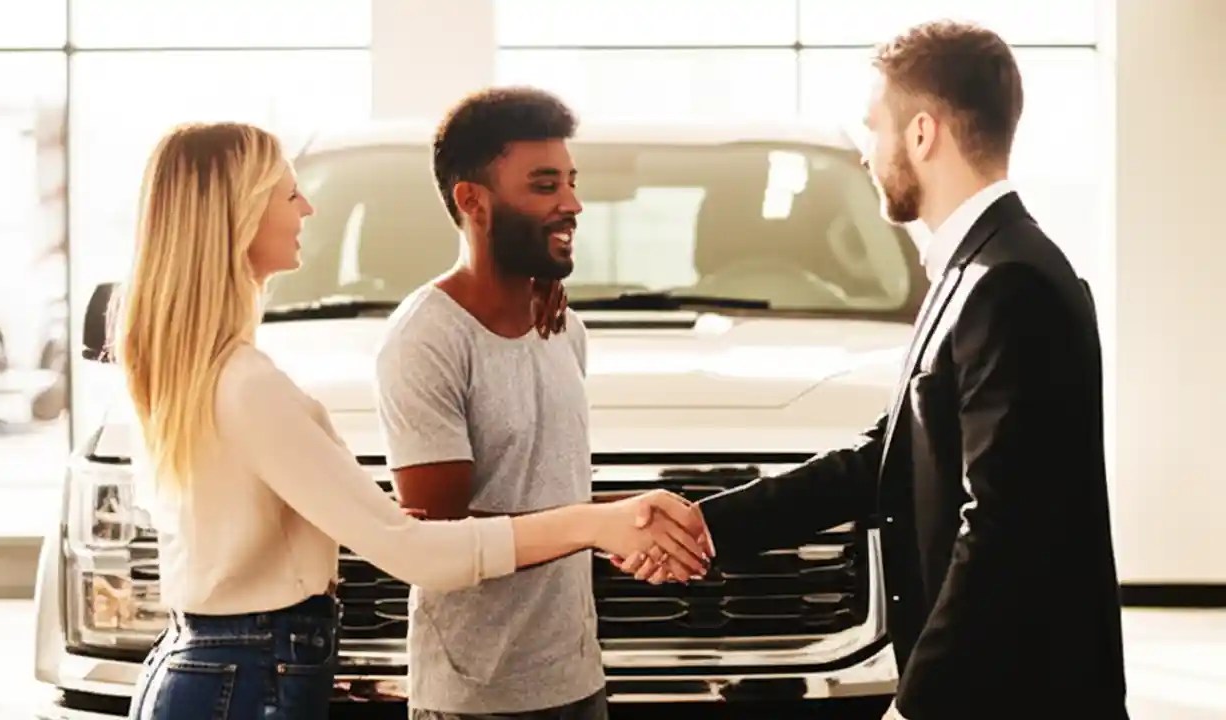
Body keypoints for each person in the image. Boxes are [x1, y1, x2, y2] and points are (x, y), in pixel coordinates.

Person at [617, 20, 1127, 720]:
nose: (866, 154)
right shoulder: (980, 269)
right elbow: (883, 460)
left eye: (872, 127)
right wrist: (708, 526)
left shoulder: (1008, 283)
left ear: (921, 134)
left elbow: (1002, 529)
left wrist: (918, 703)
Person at [114, 121, 709, 720]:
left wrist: (366, 515)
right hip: (244, 682)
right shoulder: (248, 385)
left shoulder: (206, 372)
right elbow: (419, 557)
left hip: (216, 668)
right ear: (238, 214)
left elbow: (243, 520)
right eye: (289, 194)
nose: (307, 209)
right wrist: (592, 523)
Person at [374, 86, 641, 720]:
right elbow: (439, 539)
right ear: (474, 201)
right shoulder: (426, 339)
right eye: (544, 186)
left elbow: (550, 493)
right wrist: (600, 523)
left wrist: (631, 522)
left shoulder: (561, 326)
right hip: (476, 698)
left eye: (571, 182)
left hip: (577, 680)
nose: (572, 204)